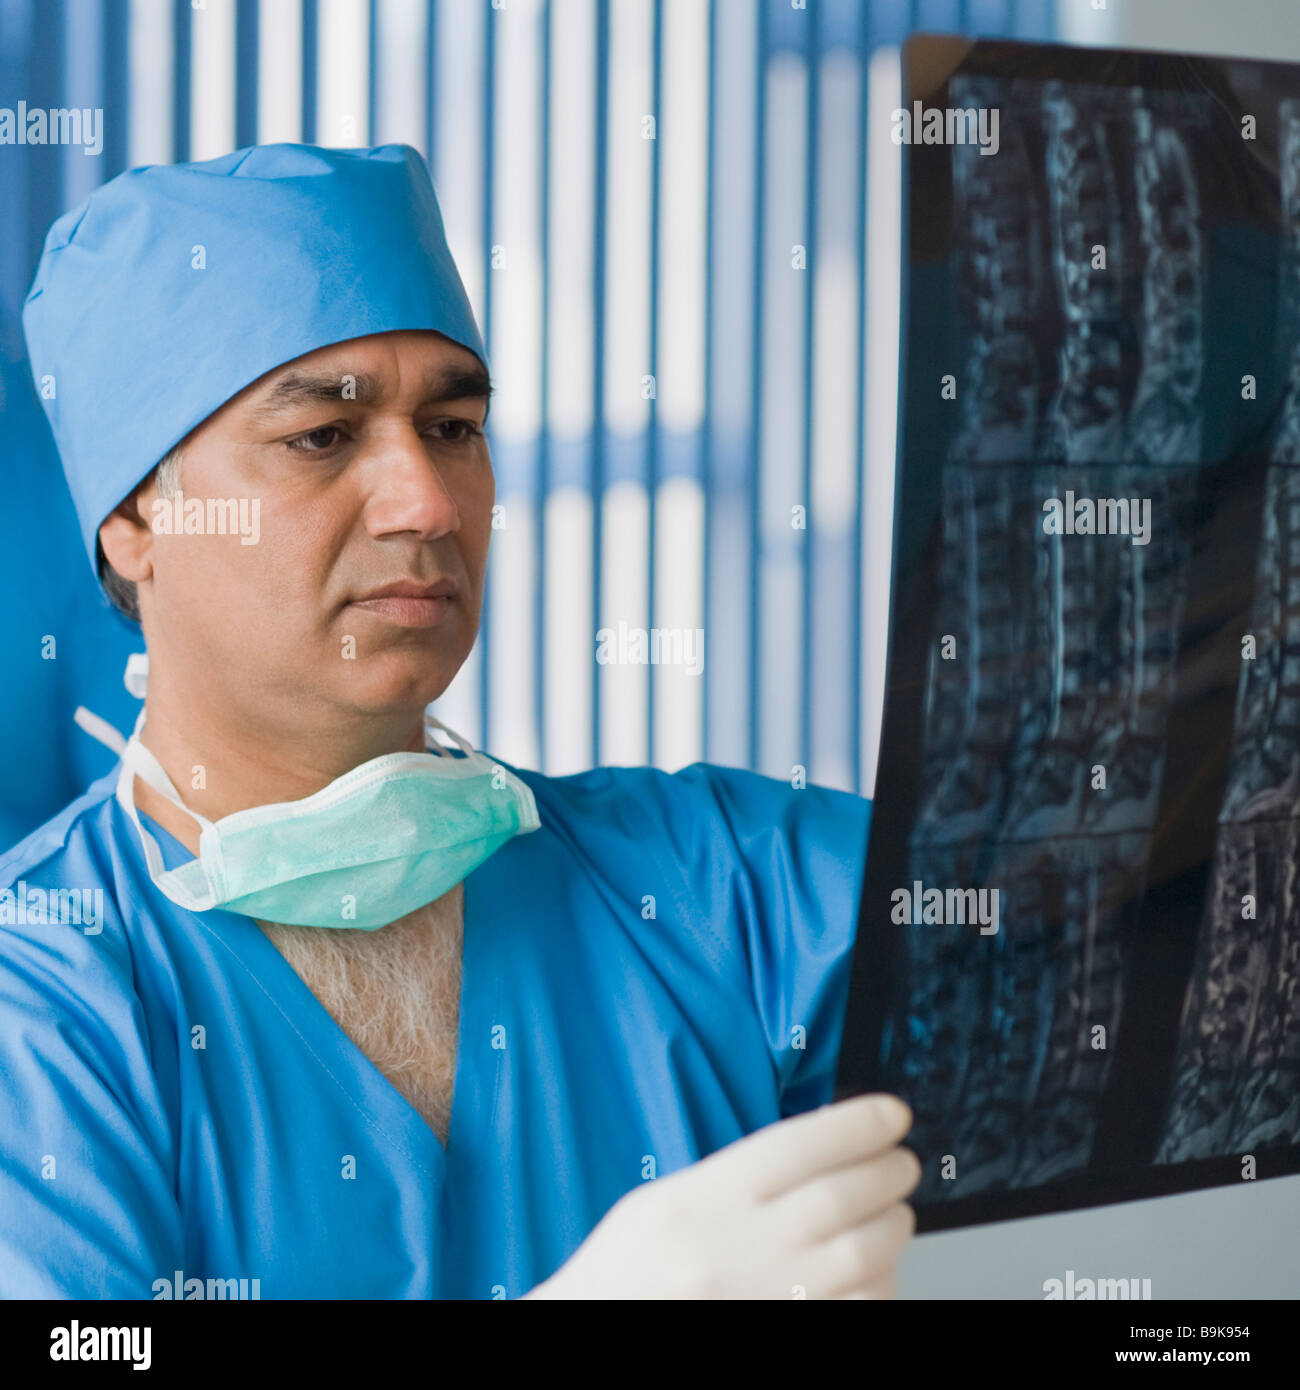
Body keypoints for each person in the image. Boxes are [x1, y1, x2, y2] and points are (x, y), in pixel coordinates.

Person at [0, 143, 919, 1300]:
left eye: (451, 427)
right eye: (321, 438)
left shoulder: (715, 885)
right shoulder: (47, 1008)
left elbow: (1130, 931)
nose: (427, 501)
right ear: (136, 517)